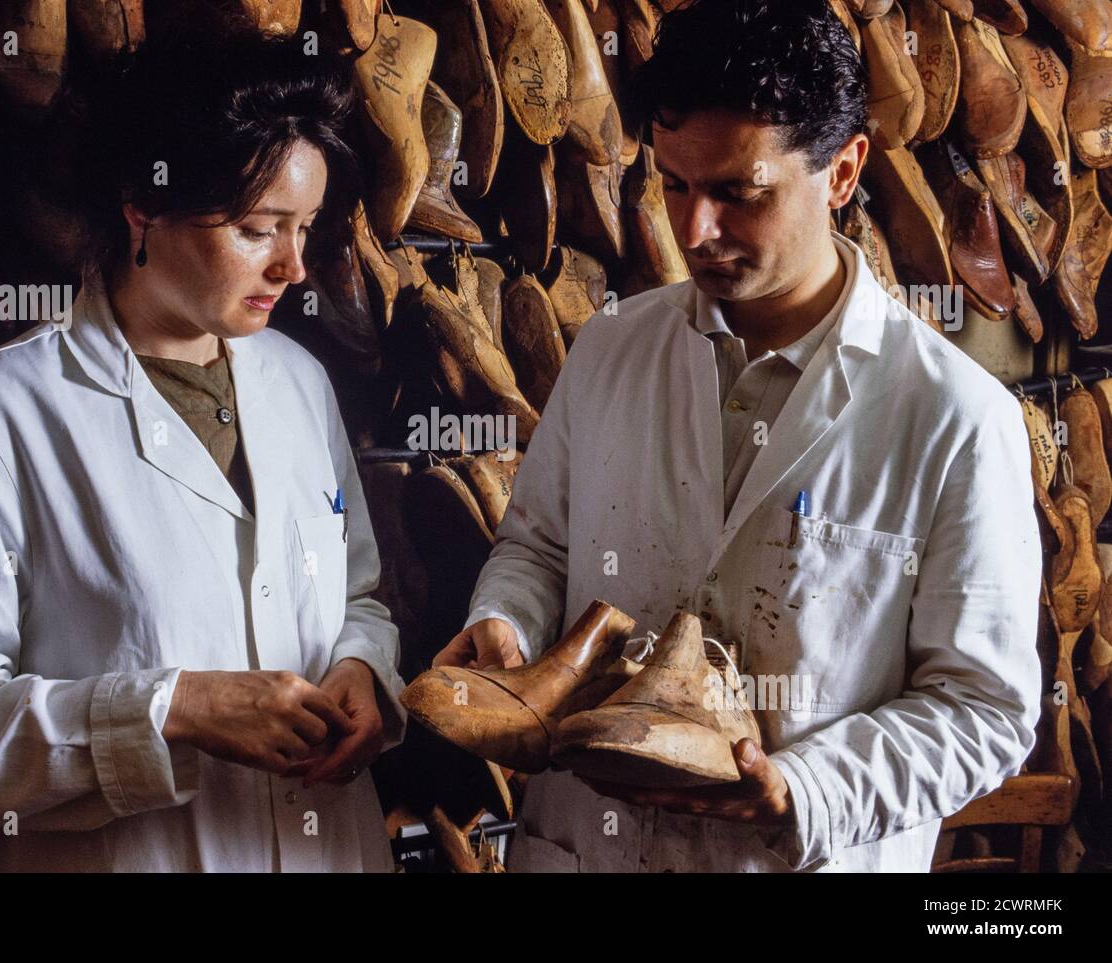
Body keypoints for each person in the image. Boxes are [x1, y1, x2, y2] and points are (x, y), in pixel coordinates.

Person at [435, 0, 1041, 872]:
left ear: (842, 173)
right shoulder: (610, 349)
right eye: (674, 185)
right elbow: (536, 547)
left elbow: (985, 710)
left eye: (738, 192)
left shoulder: (956, 418)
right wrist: (507, 626)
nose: (693, 232)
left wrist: (806, 787)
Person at [0, 12, 404, 872]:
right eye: (259, 228)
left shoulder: (299, 383)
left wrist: (365, 675)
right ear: (144, 207)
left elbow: (360, 601)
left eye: (305, 227)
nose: (293, 268)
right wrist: (170, 709)